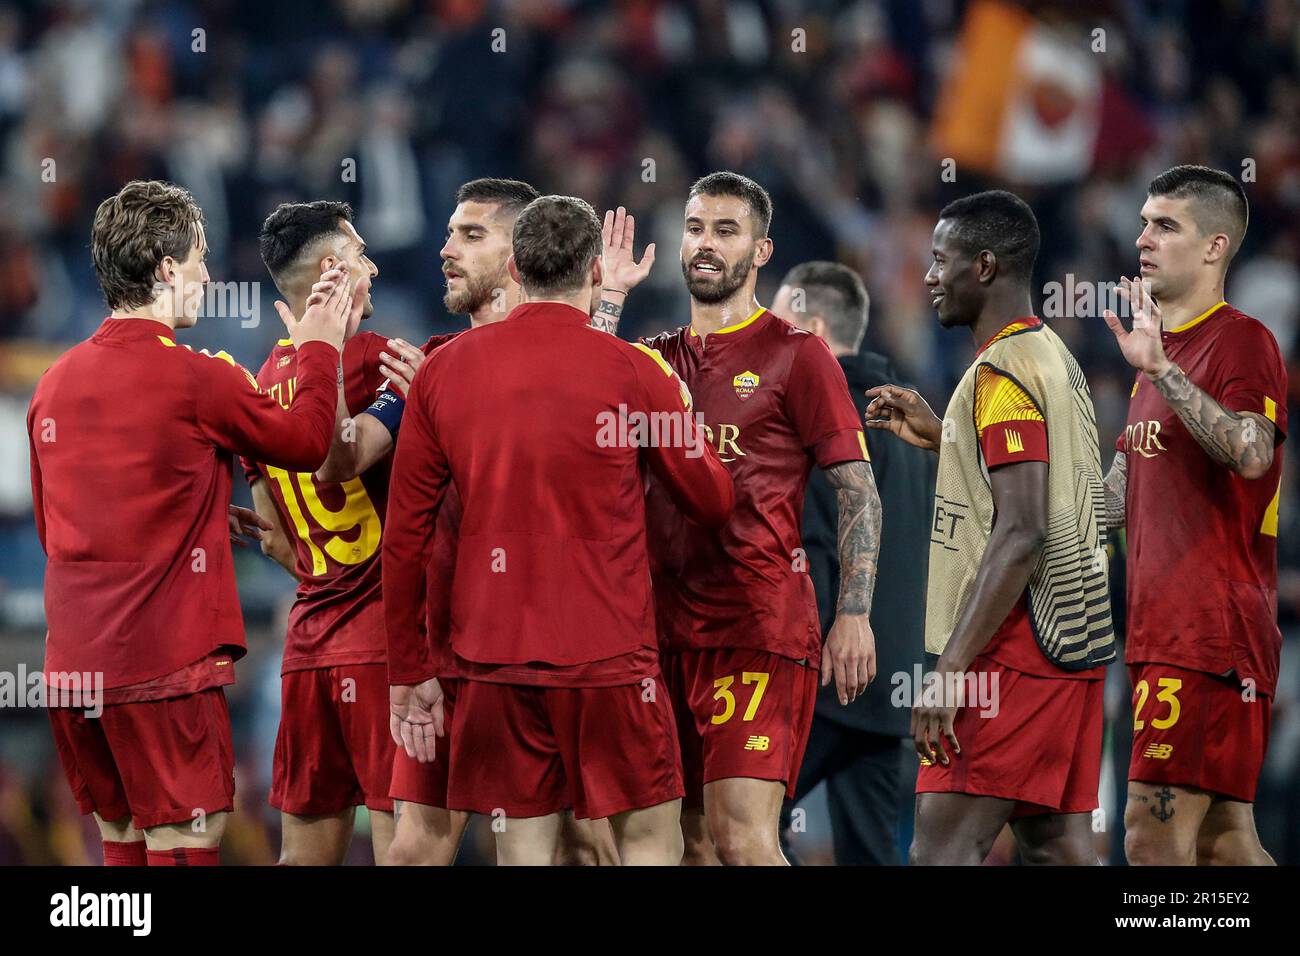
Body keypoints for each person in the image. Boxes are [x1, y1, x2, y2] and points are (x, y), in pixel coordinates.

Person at [384, 195, 735, 865]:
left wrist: (410, 669)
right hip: (611, 657)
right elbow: (714, 501)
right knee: (649, 844)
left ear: (515, 268)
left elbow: (405, 536)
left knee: (525, 853)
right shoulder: (637, 373)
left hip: (493, 660)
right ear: (597, 273)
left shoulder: (441, 372)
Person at [29, 180, 350, 866]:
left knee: (122, 844)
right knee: (181, 848)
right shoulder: (198, 377)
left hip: (73, 668)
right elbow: (306, 441)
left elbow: (61, 528)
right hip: (163, 666)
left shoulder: (52, 383)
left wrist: (193, 512)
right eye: (200, 258)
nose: (208, 275)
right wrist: (319, 347)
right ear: (168, 268)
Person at [599, 172, 881, 865]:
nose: (706, 244)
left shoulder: (797, 354)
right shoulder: (650, 358)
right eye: (696, 228)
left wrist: (854, 613)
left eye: (726, 231)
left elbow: (858, 490)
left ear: (760, 251)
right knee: (688, 843)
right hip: (660, 631)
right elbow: (576, 406)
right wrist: (606, 300)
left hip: (757, 625)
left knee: (744, 840)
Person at [866, 190, 1115, 865]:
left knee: (941, 851)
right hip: (1072, 643)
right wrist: (946, 430)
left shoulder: (1001, 375)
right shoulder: (1052, 356)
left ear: (982, 267)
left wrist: (949, 673)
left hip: (1012, 652)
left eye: (939, 260)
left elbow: (1022, 530)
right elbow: (1044, 485)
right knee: (1057, 846)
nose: (927, 277)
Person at [1101, 165, 1285, 866]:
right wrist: (964, 447)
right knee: (1223, 845)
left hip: (1210, 635)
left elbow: (1251, 454)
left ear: (1214, 246)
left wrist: (1165, 373)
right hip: (1163, 633)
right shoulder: (1156, 357)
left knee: (1150, 835)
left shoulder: (1241, 341)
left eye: (1164, 225)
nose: (1142, 237)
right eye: (1144, 221)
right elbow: (1113, 500)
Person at [771, 261, 933, 865]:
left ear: (812, 325)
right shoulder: (916, 422)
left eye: (780, 315)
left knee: (745, 824)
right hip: (895, 686)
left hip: (826, 676)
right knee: (870, 853)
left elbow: (814, 545)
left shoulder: (818, 410)